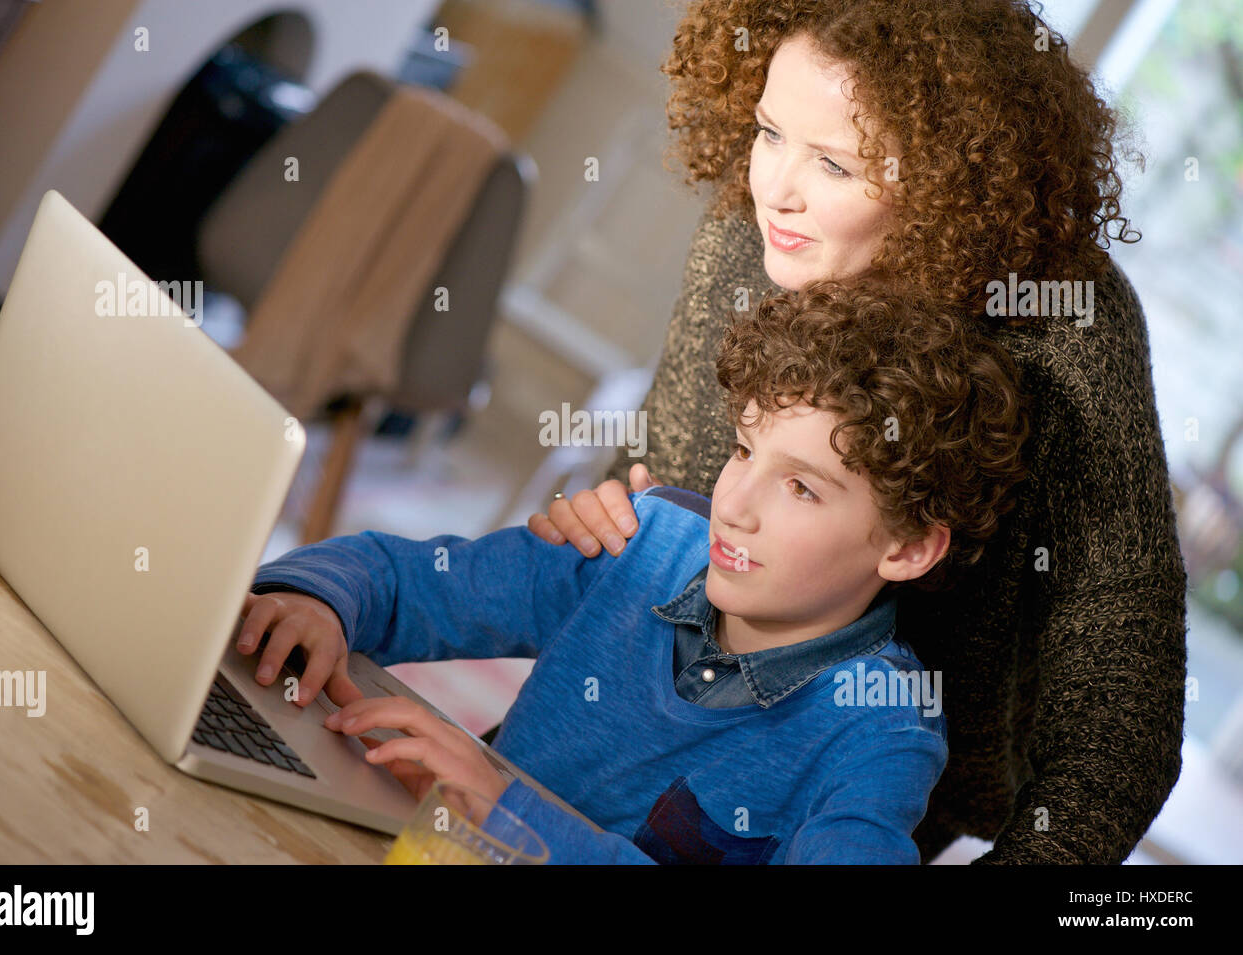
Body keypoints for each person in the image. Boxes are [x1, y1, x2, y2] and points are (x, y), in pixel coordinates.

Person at [527, 0, 1188, 864]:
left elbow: (1122, 704)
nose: (777, 191)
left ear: (954, 182)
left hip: (894, 779)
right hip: (657, 710)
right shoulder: (752, 234)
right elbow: (678, 492)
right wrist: (613, 526)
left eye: (836, 164)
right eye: (768, 133)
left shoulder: (1068, 332)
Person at [237, 281, 1030, 863]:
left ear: (908, 547)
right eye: (744, 452)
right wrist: (318, 600)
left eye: (801, 487)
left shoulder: (881, 730)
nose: (735, 506)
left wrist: (513, 814)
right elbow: (413, 580)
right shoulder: (640, 545)